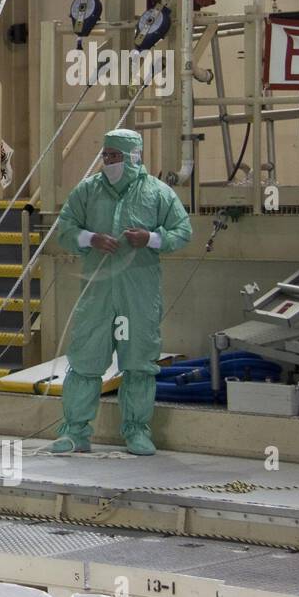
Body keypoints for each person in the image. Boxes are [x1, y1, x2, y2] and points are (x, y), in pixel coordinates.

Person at [53, 128, 192, 455]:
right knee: (85, 360)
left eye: (115, 156)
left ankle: (137, 431)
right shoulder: (88, 191)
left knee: (139, 363)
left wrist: (152, 239)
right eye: (105, 156)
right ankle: (75, 432)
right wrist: (89, 238)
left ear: (133, 157)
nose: (109, 162)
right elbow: (65, 228)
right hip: (98, 293)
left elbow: (182, 231)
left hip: (138, 293)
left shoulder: (158, 193)